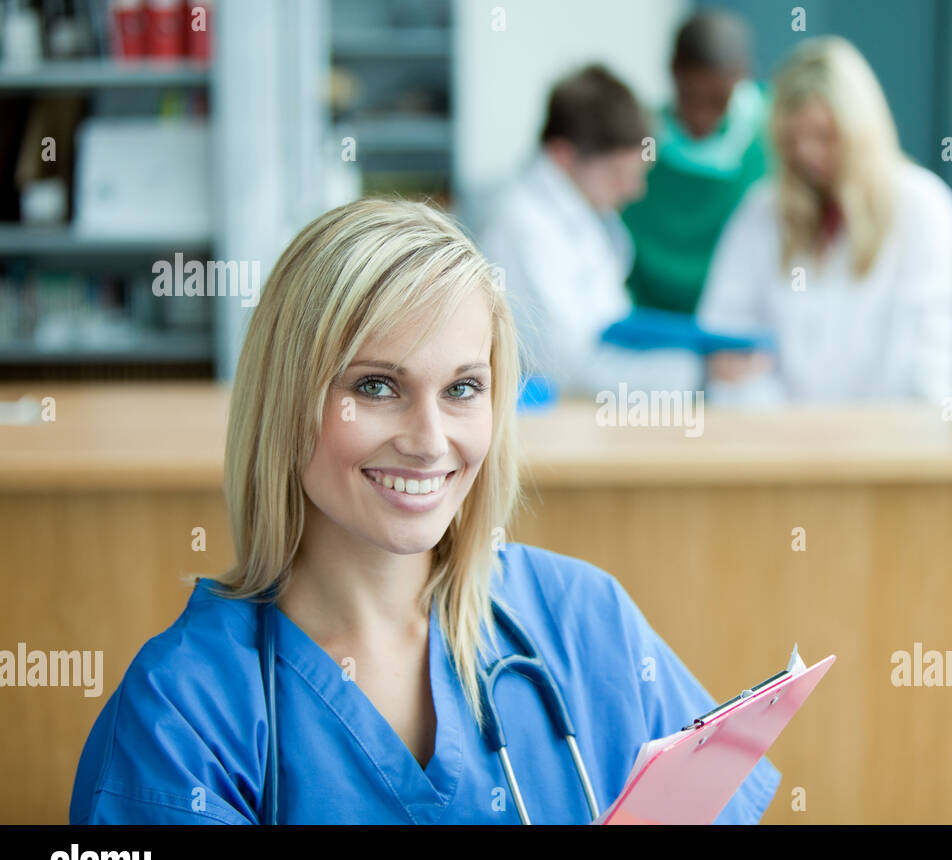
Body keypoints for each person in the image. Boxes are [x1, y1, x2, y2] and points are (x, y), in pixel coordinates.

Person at [68, 198, 780, 824]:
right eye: (377, 386)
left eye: (463, 388)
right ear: (285, 400)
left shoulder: (581, 620)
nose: (429, 441)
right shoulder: (185, 712)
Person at [696, 36, 952, 409]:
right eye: (794, 139)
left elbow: (926, 366)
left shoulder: (924, 209)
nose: (807, 154)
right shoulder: (761, 212)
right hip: (774, 453)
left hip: (886, 453)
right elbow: (726, 347)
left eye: (824, 136)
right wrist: (785, 438)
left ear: (861, 131)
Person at [478, 64, 700, 398]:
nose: (633, 191)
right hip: (549, 421)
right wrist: (695, 372)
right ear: (563, 154)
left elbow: (610, 325)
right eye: (618, 173)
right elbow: (565, 366)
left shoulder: (589, 216)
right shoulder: (522, 223)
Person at [620, 8, 771, 316]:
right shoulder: (638, 145)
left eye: (718, 100)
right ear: (672, 72)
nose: (701, 115)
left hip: (739, 330)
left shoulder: (773, 140)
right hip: (648, 327)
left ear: (741, 77)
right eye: (689, 96)